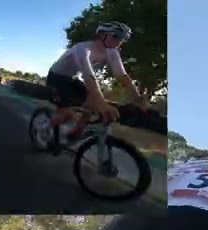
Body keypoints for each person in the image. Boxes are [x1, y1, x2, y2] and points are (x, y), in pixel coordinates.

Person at [45, 22, 149, 150]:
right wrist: (103, 104)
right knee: (69, 115)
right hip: (57, 78)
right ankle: (45, 128)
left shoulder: (112, 52)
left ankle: (74, 133)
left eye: (123, 38)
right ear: (101, 35)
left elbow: (122, 76)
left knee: (91, 107)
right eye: (116, 36)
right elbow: (89, 77)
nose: (120, 41)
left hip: (73, 79)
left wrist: (138, 99)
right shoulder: (82, 49)